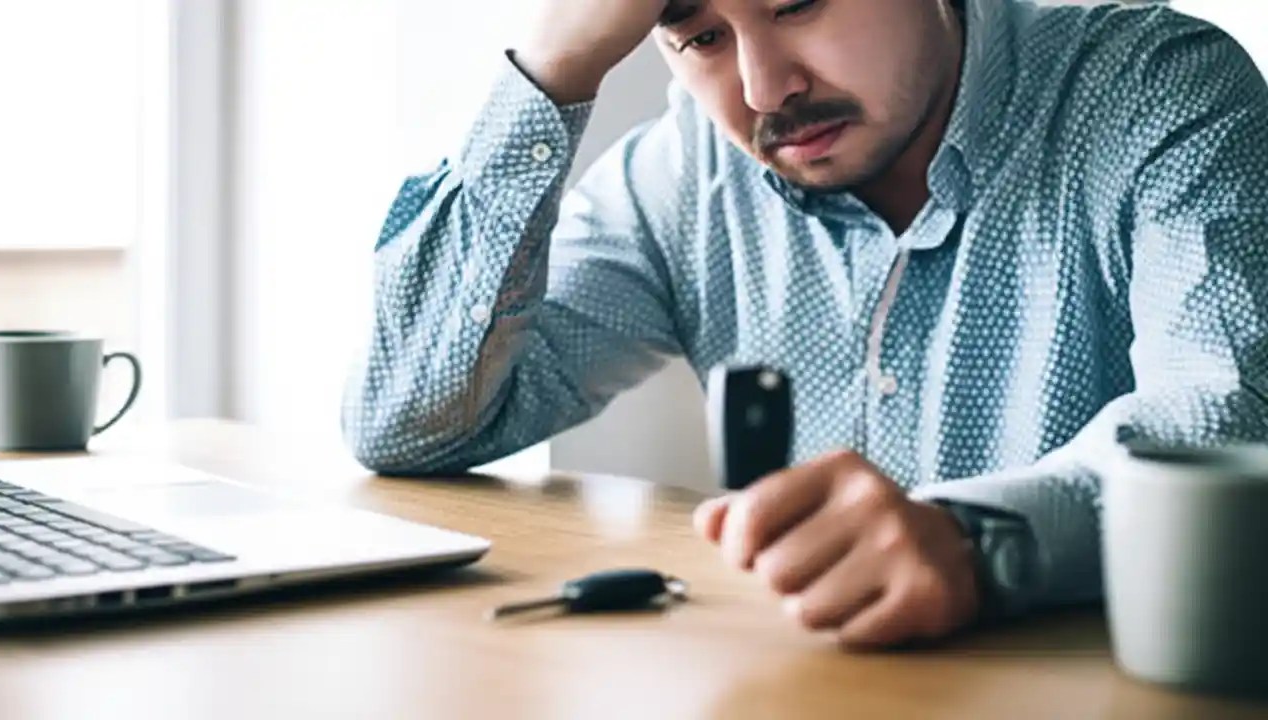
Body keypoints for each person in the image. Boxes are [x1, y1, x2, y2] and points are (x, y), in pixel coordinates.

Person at [342, 0, 1268, 648]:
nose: (763, 89)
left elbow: (1228, 427)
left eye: (798, 2)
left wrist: (976, 541)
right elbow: (409, 421)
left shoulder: (1159, 89)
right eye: (700, 35)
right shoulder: (686, 175)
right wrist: (554, 69)